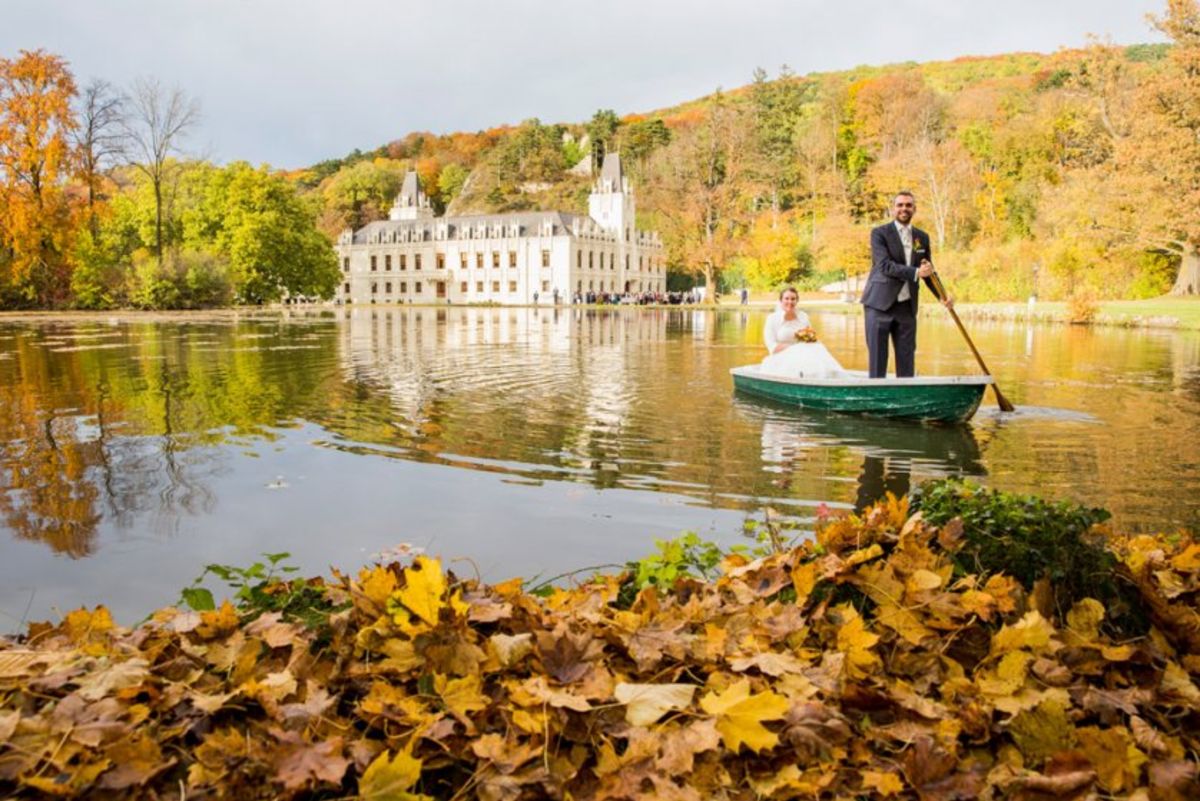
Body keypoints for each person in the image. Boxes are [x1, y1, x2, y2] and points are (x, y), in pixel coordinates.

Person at [861, 191, 951, 378]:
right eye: (900, 205)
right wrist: (915, 272)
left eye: (908, 205)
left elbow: (927, 271)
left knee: (907, 360)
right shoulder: (879, 234)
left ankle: (905, 401)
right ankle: (878, 401)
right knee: (878, 361)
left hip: (906, 307)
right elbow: (884, 265)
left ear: (914, 209)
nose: (904, 208)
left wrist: (943, 296)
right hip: (879, 305)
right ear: (893, 209)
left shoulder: (921, 238)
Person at [760, 287, 847, 378]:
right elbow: (771, 346)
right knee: (802, 351)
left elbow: (810, 336)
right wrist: (796, 348)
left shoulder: (803, 316)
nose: (790, 302)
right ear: (781, 300)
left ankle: (828, 376)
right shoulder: (772, 319)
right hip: (781, 357)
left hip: (804, 356)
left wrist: (809, 340)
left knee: (818, 347)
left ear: (797, 301)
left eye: (793, 299)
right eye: (787, 298)